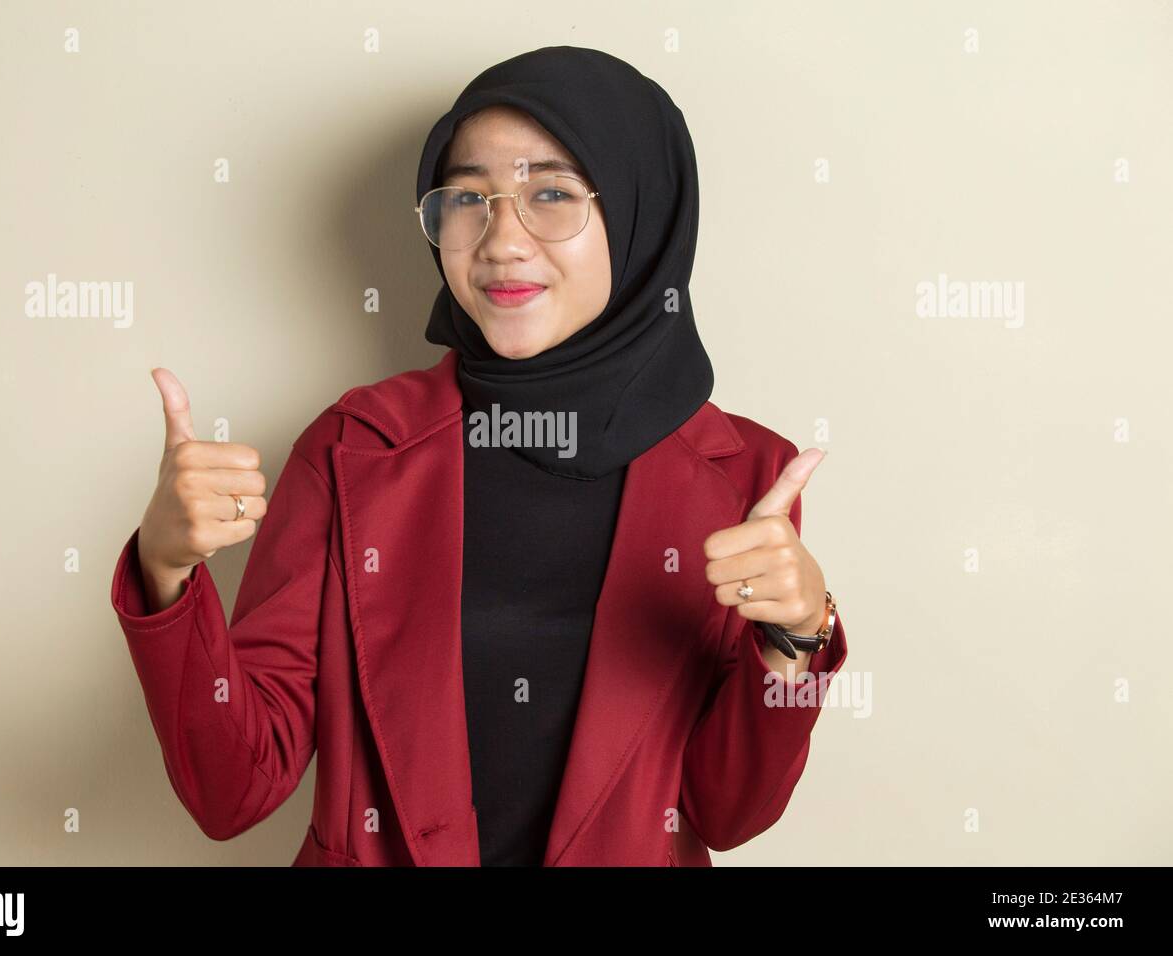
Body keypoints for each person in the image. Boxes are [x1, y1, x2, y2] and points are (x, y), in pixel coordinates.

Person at [111, 45, 847, 867]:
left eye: (552, 193)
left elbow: (727, 812)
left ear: (643, 213)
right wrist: (164, 571)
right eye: (468, 197)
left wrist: (796, 639)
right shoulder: (355, 446)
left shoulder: (746, 474)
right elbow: (233, 789)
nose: (500, 240)